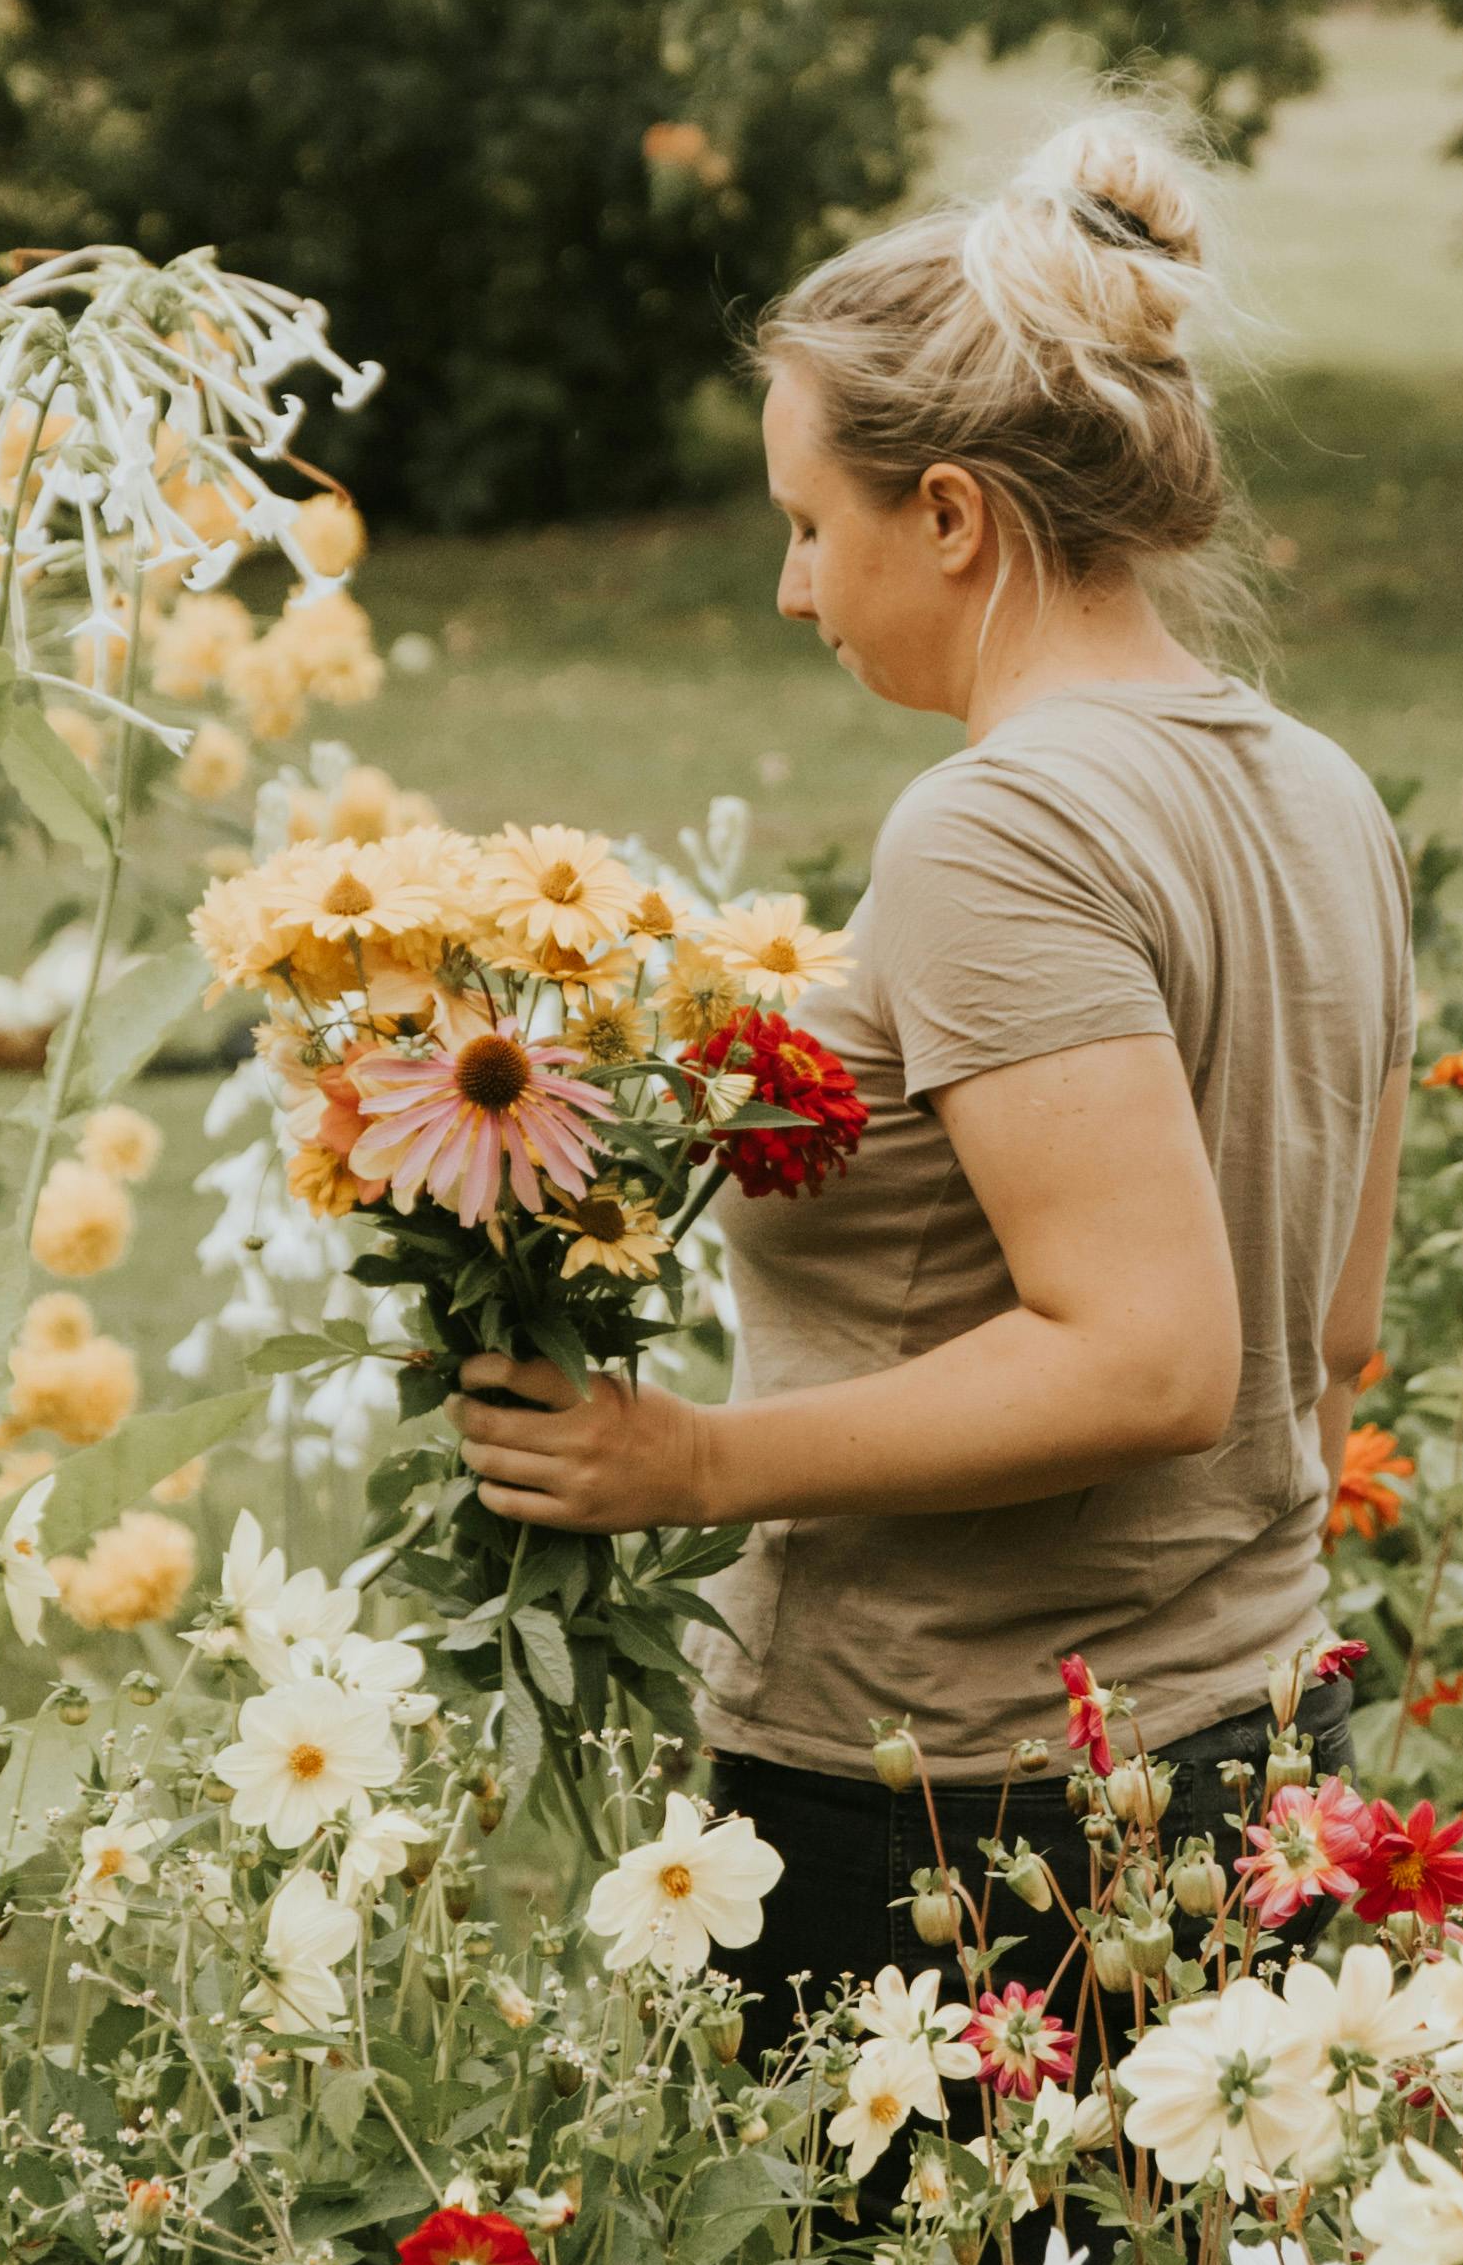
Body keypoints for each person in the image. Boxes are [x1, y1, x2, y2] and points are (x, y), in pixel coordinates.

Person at [456, 110, 1413, 2042]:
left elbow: (1150, 1358)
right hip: (1248, 1761)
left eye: (813, 525)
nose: (796, 593)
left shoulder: (996, 830)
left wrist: (695, 1464)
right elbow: (1341, 1335)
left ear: (955, 516)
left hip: (959, 1813)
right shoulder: (1319, 789)